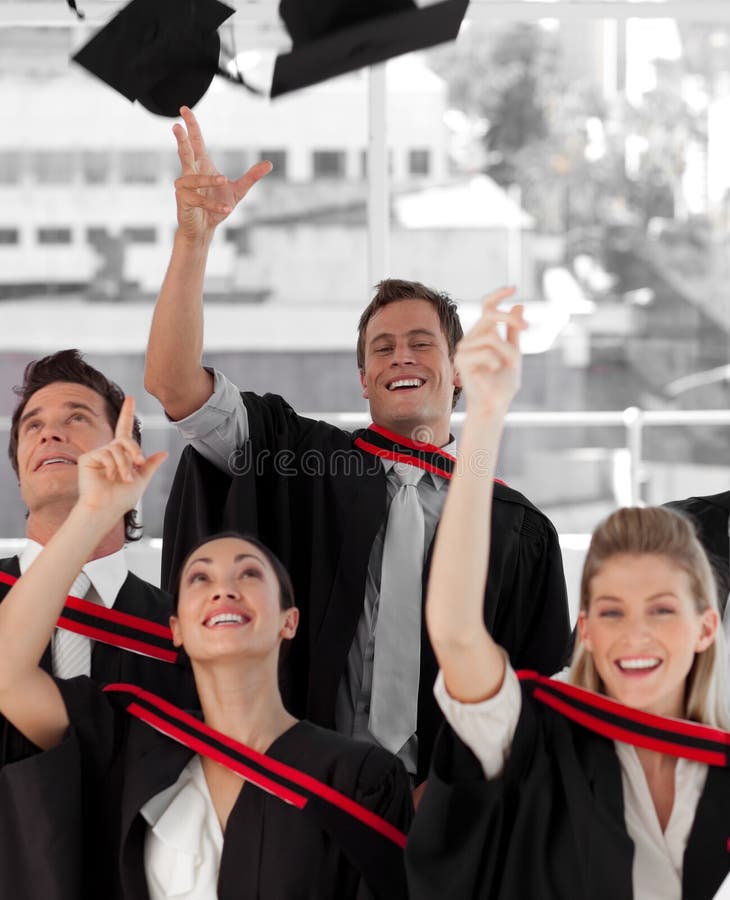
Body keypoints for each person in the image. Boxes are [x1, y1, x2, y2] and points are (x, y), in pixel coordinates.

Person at [144, 106, 571, 787]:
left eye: (422, 342)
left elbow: (543, 705)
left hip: (454, 816)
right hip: (306, 791)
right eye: (383, 347)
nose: (402, 356)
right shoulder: (298, 461)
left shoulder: (516, 529)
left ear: (458, 370)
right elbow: (172, 386)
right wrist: (193, 242)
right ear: (364, 377)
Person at [0, 397, 412, 900]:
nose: (224, 588)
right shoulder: (134, 744)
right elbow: (8, 671)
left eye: (250, 572)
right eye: (199, 577)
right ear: (173, 626)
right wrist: (91, 514)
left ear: (289, 621)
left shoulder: (357, 776)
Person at [405, 294, 730, 899]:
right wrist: (485, 417)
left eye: (662, 610)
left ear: (706, 626)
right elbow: (453, 629)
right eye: (612, 612)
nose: (635, 634)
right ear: (586, 625)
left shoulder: (717, 764)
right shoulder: (537, 733)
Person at [0, 350, 195, 767]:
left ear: (127, 452)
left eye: (76, 418)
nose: (49, 434)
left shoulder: (182, 632)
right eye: (33, 425)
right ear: (19, 472)